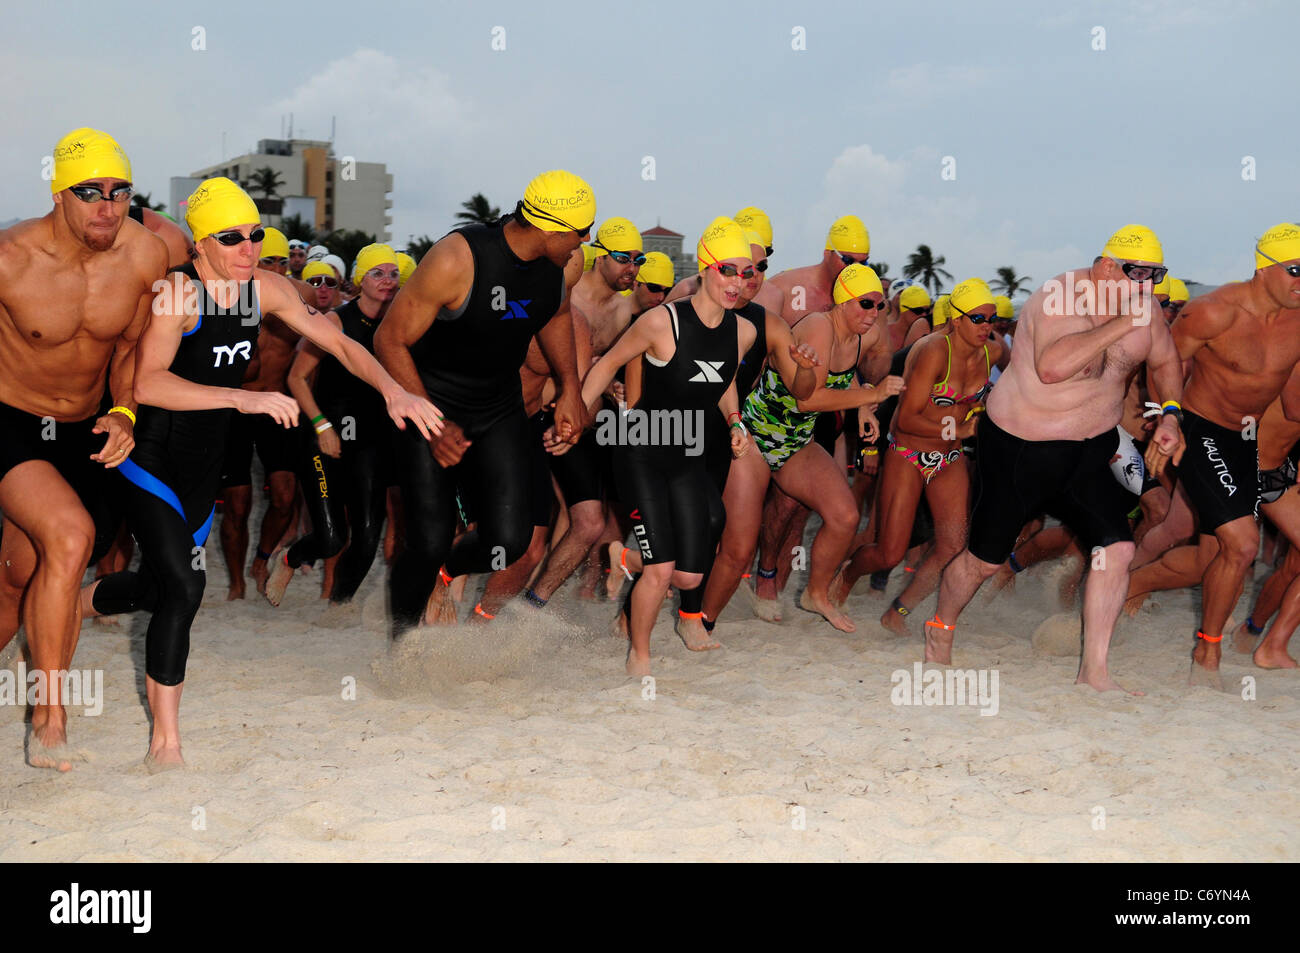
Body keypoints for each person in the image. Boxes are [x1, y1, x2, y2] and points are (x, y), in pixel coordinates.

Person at [82, 178, 442, 768]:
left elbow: (341, 343)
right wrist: (242, 399)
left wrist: (394, 392)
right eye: (232, 238)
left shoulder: (268, 290)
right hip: (152, 455)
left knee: (157, 588)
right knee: (186, 588)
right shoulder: (179, 293)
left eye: (254, 235)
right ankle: (165, 743)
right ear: (200, 245)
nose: (249, 248)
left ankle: (76, 605)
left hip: (204, 458)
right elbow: (148, 383)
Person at [927, 225, 1183, 692]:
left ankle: (1094, 672)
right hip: (1021, 447)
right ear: (1106, 266)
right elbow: (1052, 368)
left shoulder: (1144, 309)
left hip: (1090, 448)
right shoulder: (1057, 298)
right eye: (1137, 274)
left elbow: (1165, 361)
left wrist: (1169, 414)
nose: (1147, 287)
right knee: (983, 559)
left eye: (1155, 276)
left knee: (1118, 547)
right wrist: (1125, 323)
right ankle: (940, 628)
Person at [0, 128, 167, 770]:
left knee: (22, 583)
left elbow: (129, 347)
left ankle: (30, 674)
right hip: (13, 422)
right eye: (90, 191)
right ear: (58, 194)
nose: (107, 205)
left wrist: (124, 410)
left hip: (88, 427)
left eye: (120, 191)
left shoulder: (145, 256)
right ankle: (50, 719)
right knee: (68, 539)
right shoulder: (13, 256)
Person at [374, 169, 591, 637]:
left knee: (509, 541)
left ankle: (445, 572)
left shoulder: (563, 266)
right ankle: (403, 641)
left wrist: (570, 386)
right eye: (581, 231)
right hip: (430, 400)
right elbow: (389, 339)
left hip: (498, 407)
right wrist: (431, 423)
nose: (585, 242)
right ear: (551, 228)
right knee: (427, 540)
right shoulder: (458, 258)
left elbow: (553, 314)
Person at [580, 217, 754, 674]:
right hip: (640, 449)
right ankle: (639, 655)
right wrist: (572, 415)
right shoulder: (661, 322)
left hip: (686, 454)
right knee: (661, 572)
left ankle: (627, 556)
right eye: (728, 270)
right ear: (705, 268)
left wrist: (735, 421)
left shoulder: (744, 333)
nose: (738, 282)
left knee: (688, 575)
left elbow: (723, 380)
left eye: (747, 272)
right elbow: (607, 366)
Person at [1167, 224, 1300, 683]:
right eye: (1296, 270)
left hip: (1250, 441)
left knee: (1226, 553)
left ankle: (1252, 638)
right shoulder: (1213, 312)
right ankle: (1208, 653)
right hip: (1200, 428)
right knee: (1241, 546)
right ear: (1264, 268)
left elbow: (1296, 405)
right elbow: (1166, 361)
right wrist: (1166, 419)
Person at [831, 279, 1003, 628]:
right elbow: (905, 421)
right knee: (888, 553)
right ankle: (846, 578)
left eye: (992, 319)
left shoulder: (993, 352)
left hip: (949, 458)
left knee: (953, 550)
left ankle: (899, 611)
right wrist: (963, 429)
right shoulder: (933, 351)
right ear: (956, 319)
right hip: (908, 453)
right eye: (978, 318)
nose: (987, 326)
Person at [743, 264, 901, 632]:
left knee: (844, 516)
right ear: (842, 301)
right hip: (754, 433)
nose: (874, 314)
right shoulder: (818, 326)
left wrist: (863, 404)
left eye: (880, 306)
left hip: (796, 441)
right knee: (739, 530)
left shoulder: (866, 336)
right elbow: (807, 400)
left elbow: (847, 380)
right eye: (865, 304)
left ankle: (815, 593)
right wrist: (872, 395)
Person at [266, 244, 406, 608]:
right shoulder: (335, 321)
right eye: (377, 273)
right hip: (323, 436)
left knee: (367, 537)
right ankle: (288, 558)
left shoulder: (400, 324)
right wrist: (320, 425)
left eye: (393, 273)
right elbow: (297, 378)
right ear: (360, 279)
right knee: (330, 538)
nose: (387, 281)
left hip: (373, 441)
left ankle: (339, 605)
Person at [216, 225, 308, 597]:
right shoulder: (227, 298)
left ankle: (262, 557)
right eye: (268, 259)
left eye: (283, 261)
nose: (276, 267)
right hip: (236, 405)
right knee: (237, 505)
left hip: (278, 405)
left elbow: (329, 338)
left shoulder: (298, 295)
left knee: (285, 496)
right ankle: (236, 580)